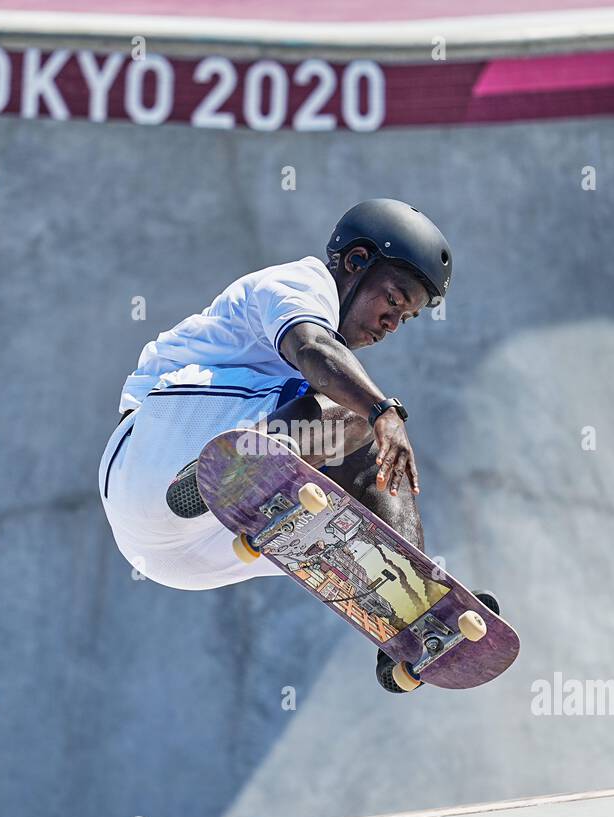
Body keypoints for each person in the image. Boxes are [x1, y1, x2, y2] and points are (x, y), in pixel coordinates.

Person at [97, 199, 496, 692]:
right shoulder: (298, 284)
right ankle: (235, 470)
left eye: (406, 317)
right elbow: (311, 348)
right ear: (355, 263)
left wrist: (418, 587)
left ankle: (409, 618)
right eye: (392, 300)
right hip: (153, 459)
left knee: (359, 455)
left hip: (182, 559)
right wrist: (383, 412)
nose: (393, 322)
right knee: (350, 418)